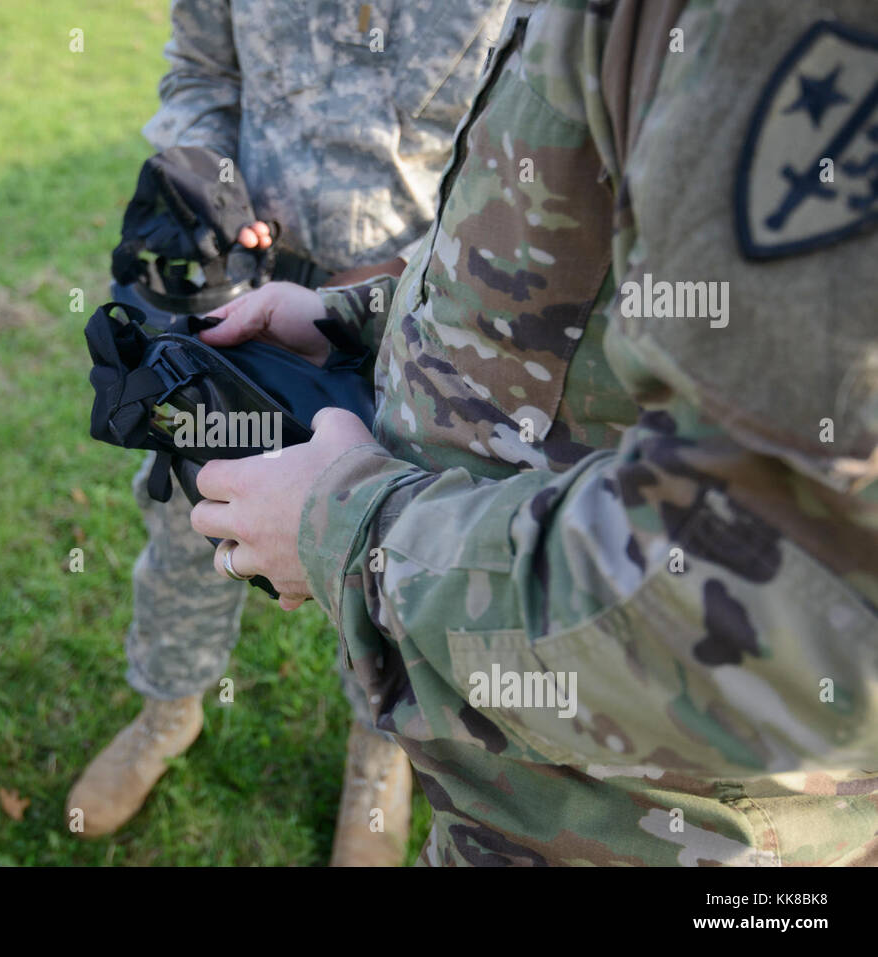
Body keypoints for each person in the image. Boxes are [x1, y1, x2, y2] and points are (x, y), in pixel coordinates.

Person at [188, 0, 878, 865]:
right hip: (554, 791)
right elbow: (587, 265)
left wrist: (346, 532)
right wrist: (363, 322)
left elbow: (782, 607)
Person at [70, 0, 510, 864]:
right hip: (239, 298)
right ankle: (169, 708)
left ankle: (379, 757)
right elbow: (199, 73)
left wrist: (406, 281)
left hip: (416, 322)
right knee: (189, 524)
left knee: (390, 555)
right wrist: (205, 189)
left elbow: (521, 158)